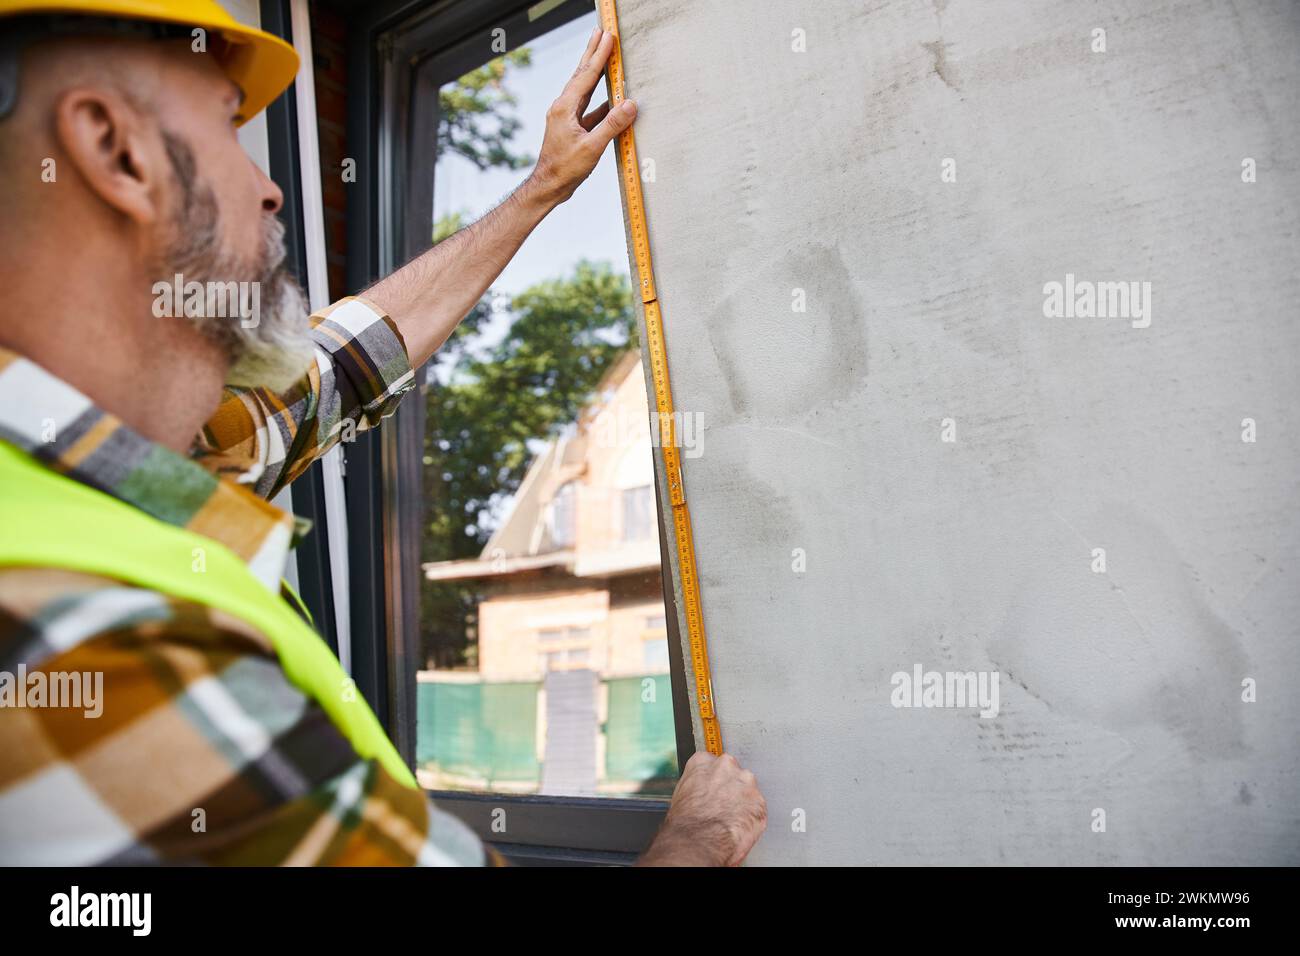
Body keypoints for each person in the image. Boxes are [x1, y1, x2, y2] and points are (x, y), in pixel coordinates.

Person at [0, 0, 765, 866]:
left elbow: (337, 366)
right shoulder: (91, 634)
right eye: (225, 122)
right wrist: (696, 839)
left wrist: (543, 185)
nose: (269, 186)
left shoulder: (108, 479)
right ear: (116, 150)